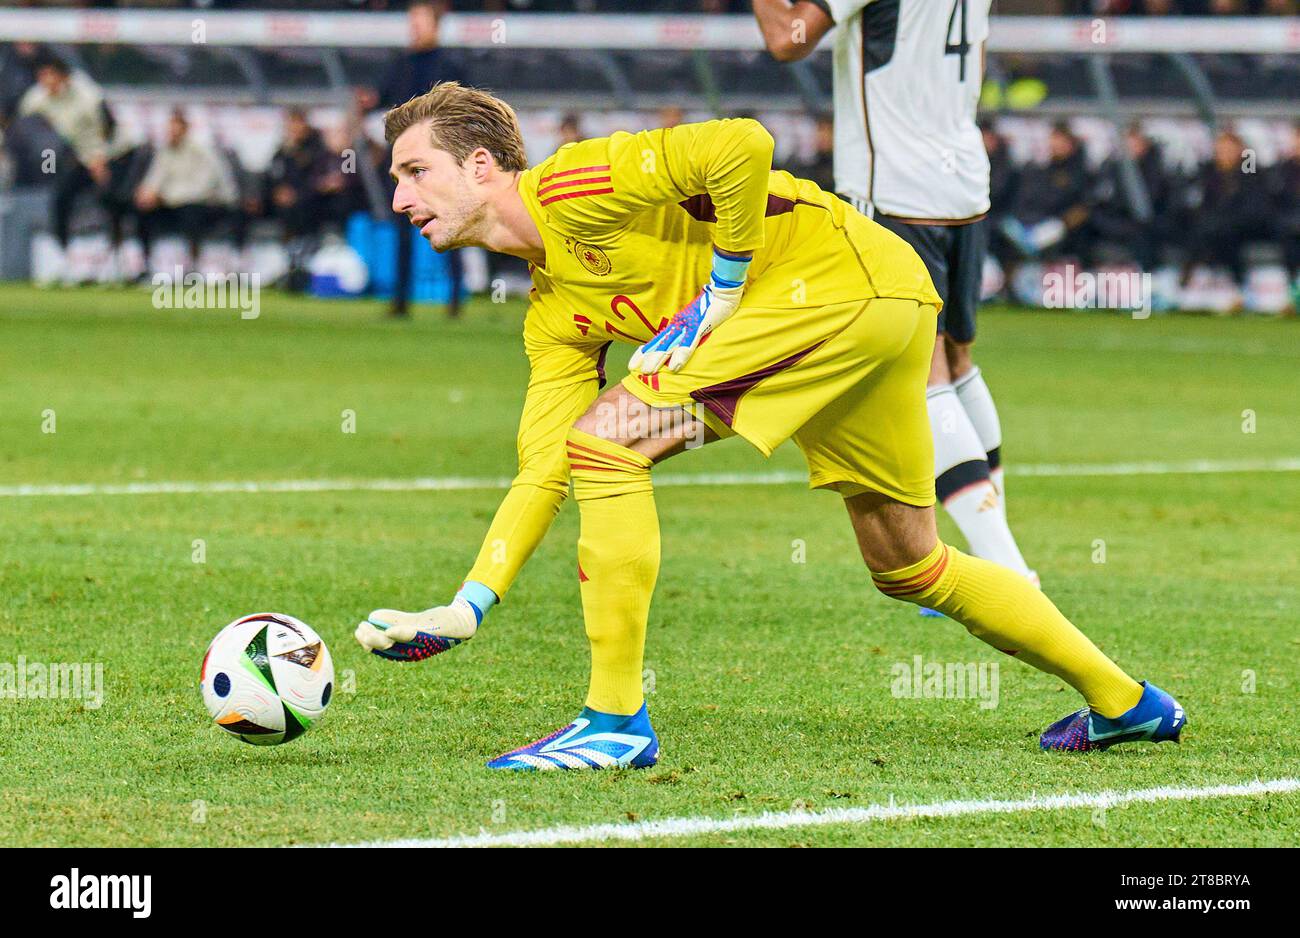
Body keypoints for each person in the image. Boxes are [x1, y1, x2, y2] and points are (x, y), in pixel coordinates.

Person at [352, 82, 1186, 769]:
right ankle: (1126, 704)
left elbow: (741, 143)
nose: (399, 198)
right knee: (909, 564)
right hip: (885, 302)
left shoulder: (575, 184)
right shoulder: (553, 314)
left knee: (610, 438)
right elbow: (543, 469)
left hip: (832, 286)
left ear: (482, 165)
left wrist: (724, 281)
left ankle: (614, 721)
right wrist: (469, 604)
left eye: (416, 171)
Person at [752, 0, 1037, 598]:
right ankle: (997, 556)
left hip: (896, 188)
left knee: (925, 373)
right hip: (962, 180)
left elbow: (787, 38)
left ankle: (1009, 573)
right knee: (957, 360)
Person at [378, 0, 467, 319]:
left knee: (449, 226)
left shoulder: (450, 66)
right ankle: (400, 300)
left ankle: (455, 299)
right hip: (403, 162)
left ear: (435, 25)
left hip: (439, 161)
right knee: (403, 230)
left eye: (420, 20)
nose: (414, 26)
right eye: (412, 20)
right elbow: (383, 99)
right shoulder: (400, 63)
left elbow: (465, 109)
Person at [134, 109, 237, 269]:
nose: (171, 134)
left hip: (212, 204)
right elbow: (154, 178)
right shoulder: (165, 151)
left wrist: (163, 196)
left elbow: (203, 188)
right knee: (143, 212)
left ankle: (194, 265)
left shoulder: (201, 150)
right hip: (176, 204)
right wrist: (147, 193)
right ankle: (146, 265)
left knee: (191, 211)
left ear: (185, 129)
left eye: (174, 129)